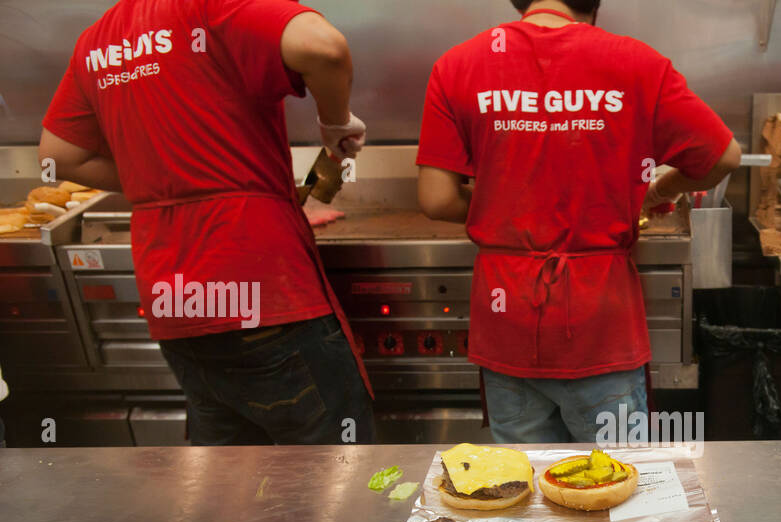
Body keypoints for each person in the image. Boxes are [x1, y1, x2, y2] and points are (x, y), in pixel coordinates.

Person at [40, 0, 375, 446]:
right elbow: (324, 48)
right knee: (339, 476)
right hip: (257, 281)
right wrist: (336, 123)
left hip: (173, 298)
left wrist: (166, 181)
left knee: (230, 489)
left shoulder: (98, 40)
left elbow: (56, 156)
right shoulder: (208, 5)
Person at [416, 0, 741, 443]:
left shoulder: (458, 64)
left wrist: (504, 205)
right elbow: (723, 156)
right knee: (614, 488)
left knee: (522, 494)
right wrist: (660, 190)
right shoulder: (636, 62)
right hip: (600, 326)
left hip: (506, 316)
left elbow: (436, 199)